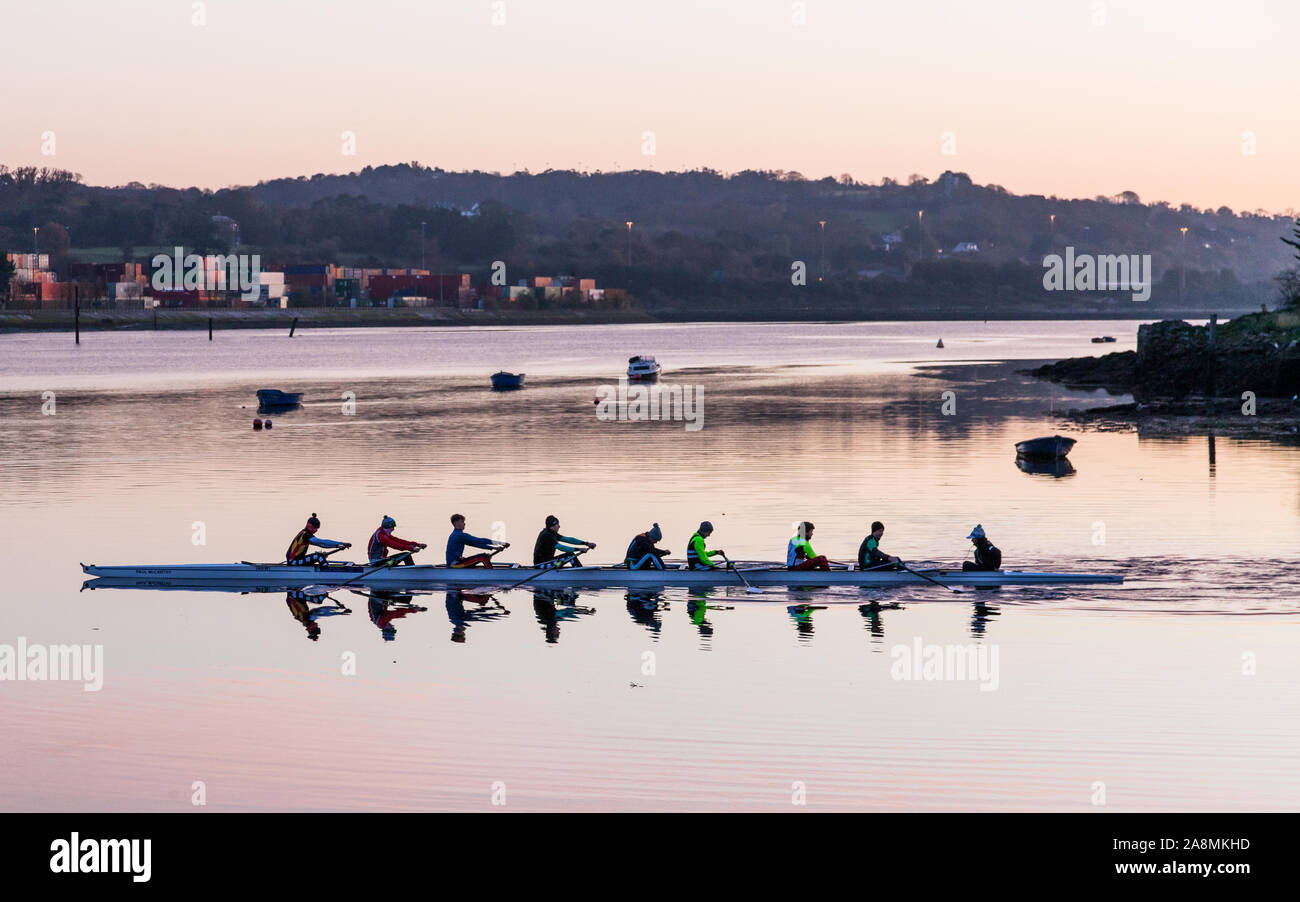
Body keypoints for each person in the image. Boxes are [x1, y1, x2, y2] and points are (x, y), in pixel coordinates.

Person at [285, 513, 350, 565]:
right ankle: (327, 573)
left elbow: (322, 545)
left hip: (296, 560)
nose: (316, 530)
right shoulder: (306, 535)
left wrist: (338, 545)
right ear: (310, 526)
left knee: (320, 555)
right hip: (293, 561)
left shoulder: (303, 533)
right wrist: (339, 544)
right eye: (315, 528)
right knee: (319, 556)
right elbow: (321, 542)